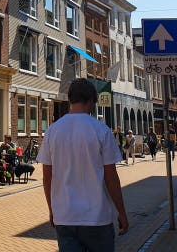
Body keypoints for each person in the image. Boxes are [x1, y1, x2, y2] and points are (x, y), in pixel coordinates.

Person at [38, 78, 129, 251]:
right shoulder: (101, 130)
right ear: (91, 101)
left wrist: (52, 209)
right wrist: (121, 212)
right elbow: (111, 178)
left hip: (65, 216)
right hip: (97, 217)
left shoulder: (52, 131)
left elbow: (47, 177)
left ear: (70, 99)